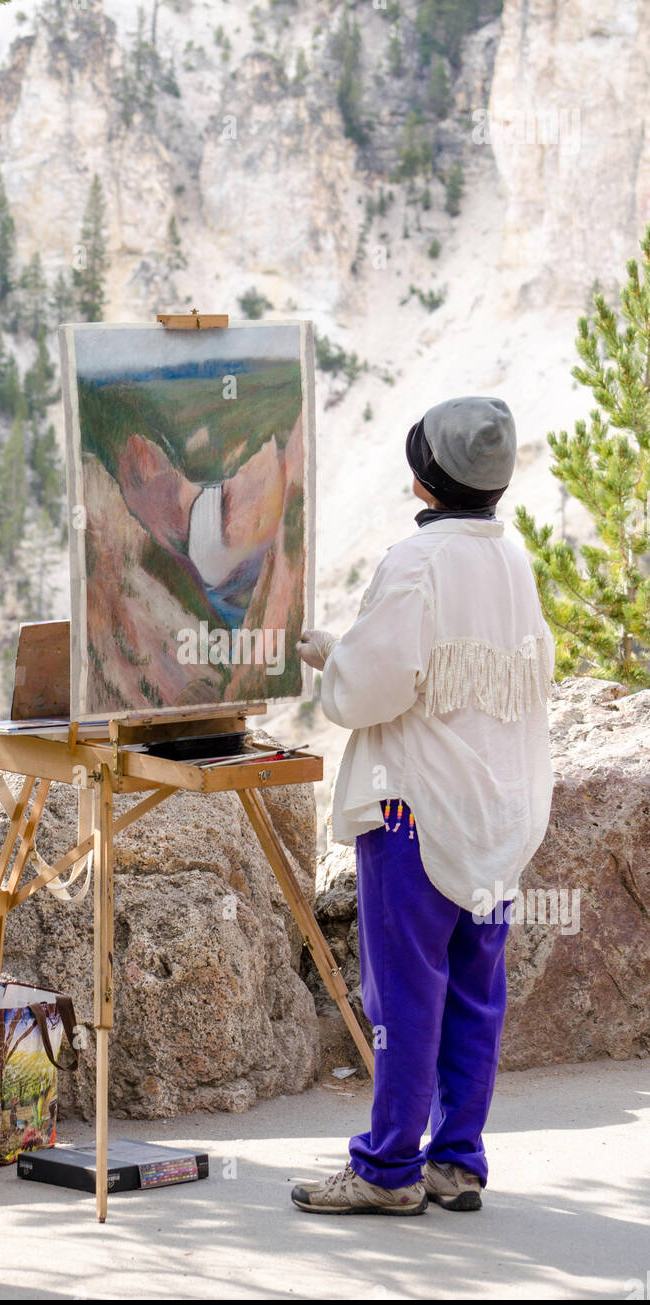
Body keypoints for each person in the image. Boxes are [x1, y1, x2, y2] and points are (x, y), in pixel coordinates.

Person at [293, 396, 555, 1216]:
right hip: (498, 816)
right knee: (475, 993)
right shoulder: (511, 559)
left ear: (424, 479)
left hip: (417, 814)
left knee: (403, 998)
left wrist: (333, 661)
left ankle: (384, 1170)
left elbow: (370, 693)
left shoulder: (416, 563)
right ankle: (455, 1161)